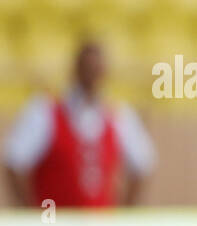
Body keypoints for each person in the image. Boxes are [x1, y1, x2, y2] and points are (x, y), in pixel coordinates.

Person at [4, 40, 155, 208]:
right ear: (76, 70)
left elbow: (143, 164)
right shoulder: (45, 112)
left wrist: (124, 214)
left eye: (96, 69)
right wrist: (31, 214)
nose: (91, 76)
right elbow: (14, 161)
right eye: (87, 68)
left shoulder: (119, 116)